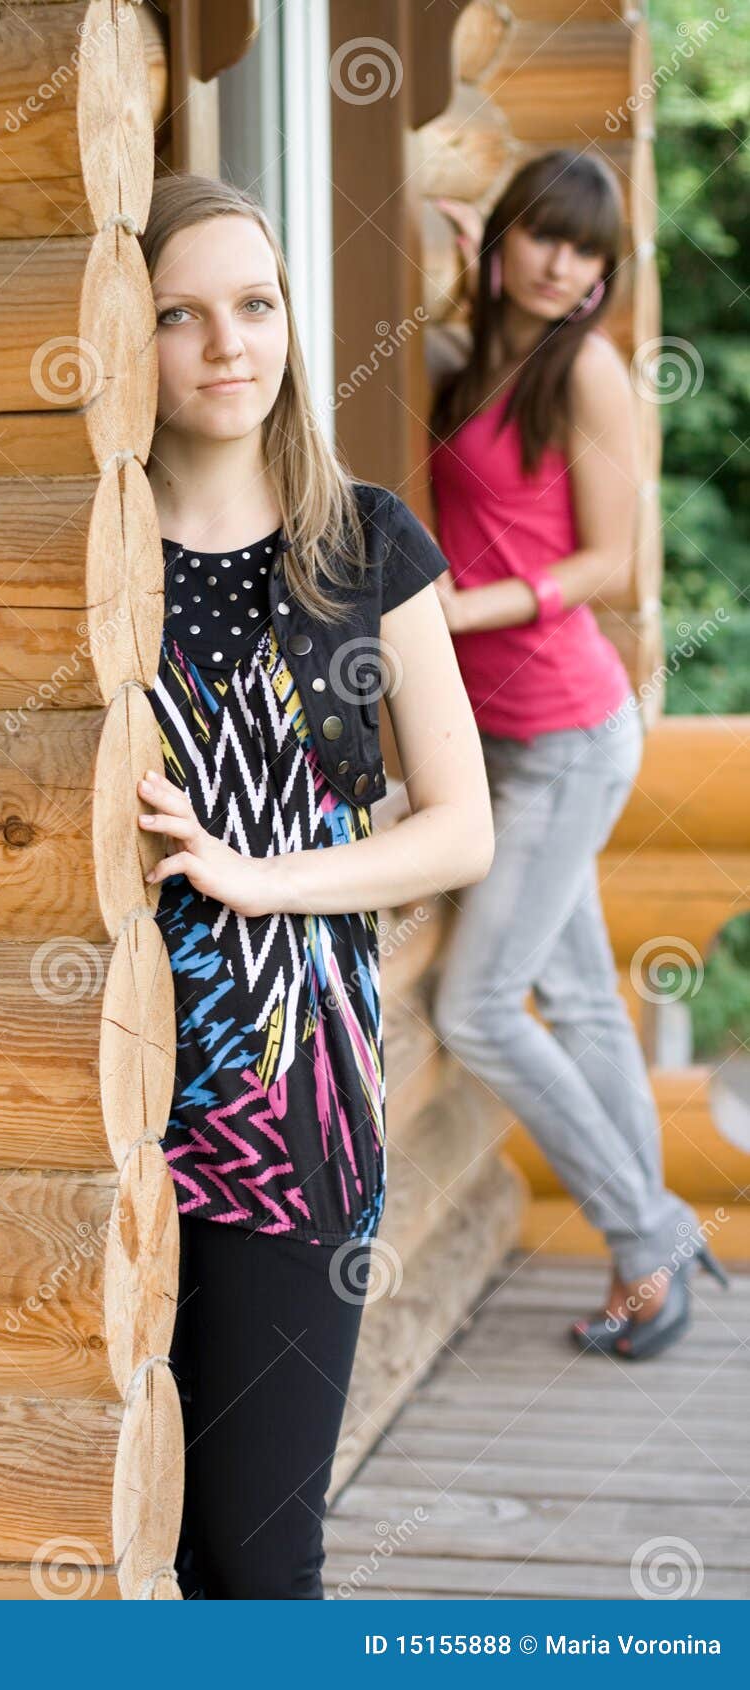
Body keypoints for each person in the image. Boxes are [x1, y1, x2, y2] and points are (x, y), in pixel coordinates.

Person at [137, 171, 493, 1599]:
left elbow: (460, 825)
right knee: (122, 1537)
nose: (228, 343)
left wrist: (257, 874)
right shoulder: (86, 558)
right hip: (89, 1107)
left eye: (255, 304)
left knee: (253, 1548)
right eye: (179, 314)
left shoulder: (364, 545)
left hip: (287, 1110)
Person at [428, 149, 729, 1363]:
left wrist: (461, 611)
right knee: (585, 1010)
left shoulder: (589, 374)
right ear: (502, 237)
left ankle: (644, 1231)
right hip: (499, 738)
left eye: (585, 250)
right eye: (543, 236)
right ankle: (644, 1259)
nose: (563, 265)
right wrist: (447, 274)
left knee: (475, 1006)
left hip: (563, 734)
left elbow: (609, 564)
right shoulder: (472, 361)